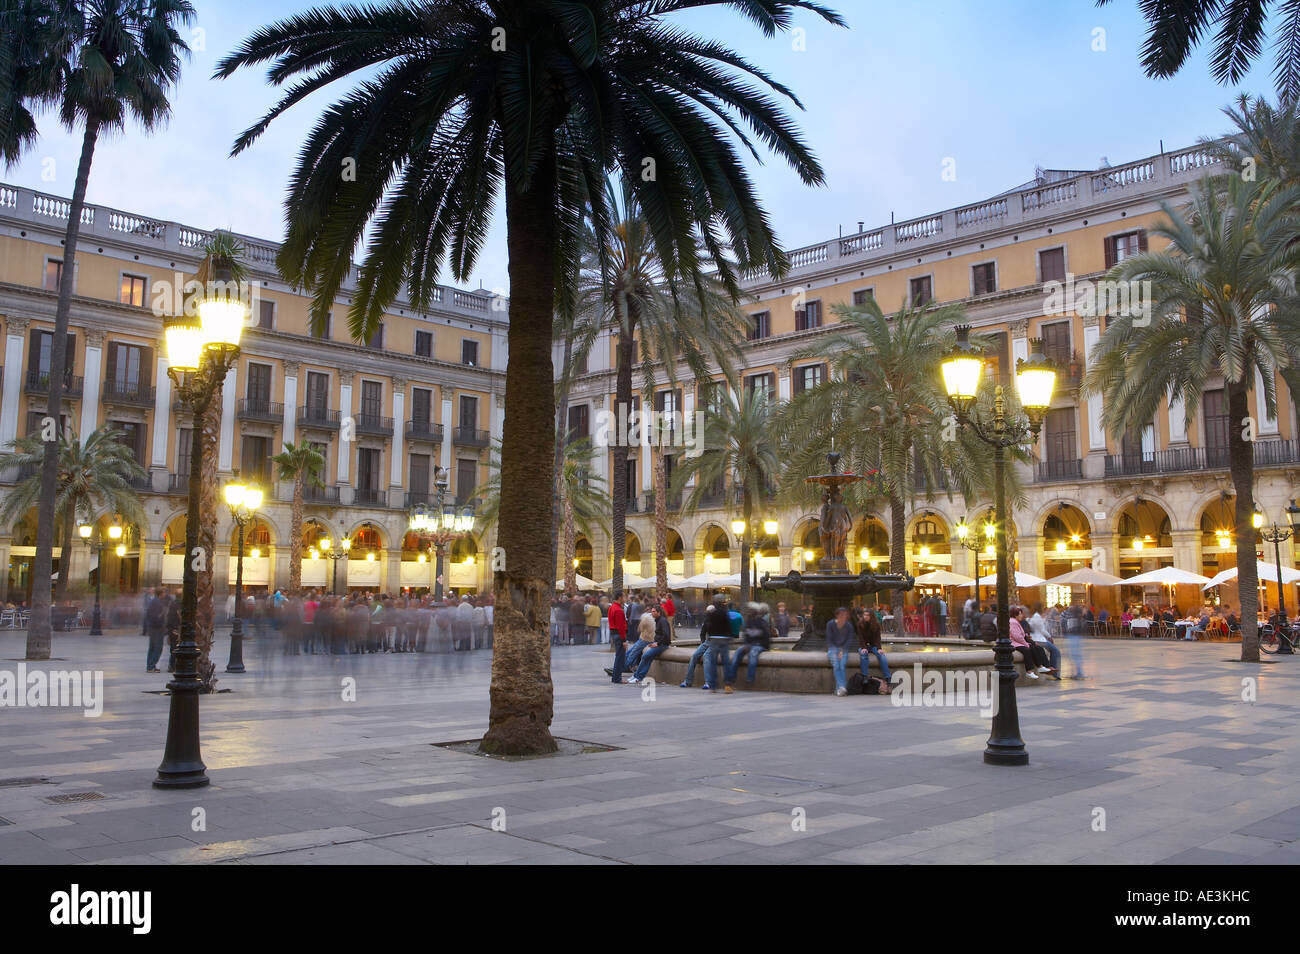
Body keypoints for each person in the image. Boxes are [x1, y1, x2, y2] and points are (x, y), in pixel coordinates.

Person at [725, 604, 771, 691]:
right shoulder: (748, 623)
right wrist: (746, 645)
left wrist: (762, 647)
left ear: (755, 612)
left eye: (751, 611)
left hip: (759, 645)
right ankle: (730, 679)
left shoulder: (762, 623)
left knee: (753, 654)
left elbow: (766, 638)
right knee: (737, 652)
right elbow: (746, 636)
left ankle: (750, 678)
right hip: (750, 645)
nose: (748, 613)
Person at [630, 604, 674, 683]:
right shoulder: (658, 620)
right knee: (647, 657)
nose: (651, 613)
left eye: (654, 612)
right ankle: (637, 676)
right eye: (652, 611)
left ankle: (638, 677)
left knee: (645, 656)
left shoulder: (662, 621)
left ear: (659, 613)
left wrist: (658, 644)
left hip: (662, 645)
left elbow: (666, 635)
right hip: (659, 643)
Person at [702, 597, 734, 692]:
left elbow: (708, 627)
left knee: (713, 663)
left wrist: (711, 635)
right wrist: (730, 636)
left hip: (714, 639)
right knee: (726, 663)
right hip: (724, 640)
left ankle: (713, 686)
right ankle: (727, 685)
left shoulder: (712, 614)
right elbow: (728, 626)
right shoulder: (725, 613)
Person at [854, 605, 892, 683]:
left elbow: (878, 638)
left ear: (871, 616)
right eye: (864, 615)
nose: (865, 617)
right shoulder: (859, 624)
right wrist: (864, 647)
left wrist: (879, 648)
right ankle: (864, 676)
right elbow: (860, 638)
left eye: (867, 615)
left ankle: (888, 677)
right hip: (863, 646)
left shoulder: (876, 625)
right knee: (864, 655)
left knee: (881, 656)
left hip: (873, 646)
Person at [679, 610, 714, 688]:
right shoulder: (707, 620)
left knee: (706, 656)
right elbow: (702, 633)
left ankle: (708, 682)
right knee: (694, 656)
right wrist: (703, 643)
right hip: (707, 642)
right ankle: (688, 681)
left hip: (715, 643)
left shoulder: (718, 621)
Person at [1008, 607, 1045, 679]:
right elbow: (1017, 636)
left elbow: (1021, 634)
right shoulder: (1013, 622)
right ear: (1015, 615)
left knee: (1033, 647)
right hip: (1014, 643)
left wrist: (1027, 640)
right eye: (1020, 614)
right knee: (1027, 650)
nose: (1022, 615)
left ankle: (1040, 666)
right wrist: (1026, 644)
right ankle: (1029, 671)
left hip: (1016, 642)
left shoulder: (1015, 621)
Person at [1027, 604, 1061, 678]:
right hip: (1039, 638)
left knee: (1051, 650)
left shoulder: (1033, 616)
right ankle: (1053, 671)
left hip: (1036, 638)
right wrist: (1049, 636)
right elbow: (1042, 630)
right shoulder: (1037, 616)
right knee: (1055, 651)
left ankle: (1051, 669)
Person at [826, 606, 854, 695]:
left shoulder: (849, 626)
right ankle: (842, 687)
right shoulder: (830, 624)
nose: (843, 616)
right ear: (837, 615)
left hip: (843, 649)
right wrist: (836, 651)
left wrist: (842, 650)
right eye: (841, 615)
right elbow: (829, 640)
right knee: (836, 665)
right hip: (832, 649)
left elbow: (849, 640)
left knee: (842, 666)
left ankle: (839, 689)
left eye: (845, 615)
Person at [624, 604, 657, 677]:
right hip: (648, 639)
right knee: (631, 652)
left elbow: (640, 629)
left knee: (632, 653)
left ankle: (624, 667)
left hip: (644, 639)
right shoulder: (657, 618)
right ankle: (625, 666)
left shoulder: (645, 617)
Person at [608, 591, 628, 684]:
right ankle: (617, 678)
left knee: (618, 656)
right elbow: (621, 627)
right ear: (620, 597)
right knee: (620, 657)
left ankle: (615, 678)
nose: (625, 598)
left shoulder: (612, 607)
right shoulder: (619, 610)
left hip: (614, 634)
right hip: (619, 635)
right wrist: (624, 640)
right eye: (624, 596)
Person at [144, 588, 166, 673]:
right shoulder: (157, 603)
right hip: (157, 628)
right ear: (161, 593)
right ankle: (151, 666)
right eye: (164, 592)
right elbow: (157, 616)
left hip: (152, 627)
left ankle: (150, 666)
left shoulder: (154, 601)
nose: (165, 594)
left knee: (152, 647)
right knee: (158, 647)